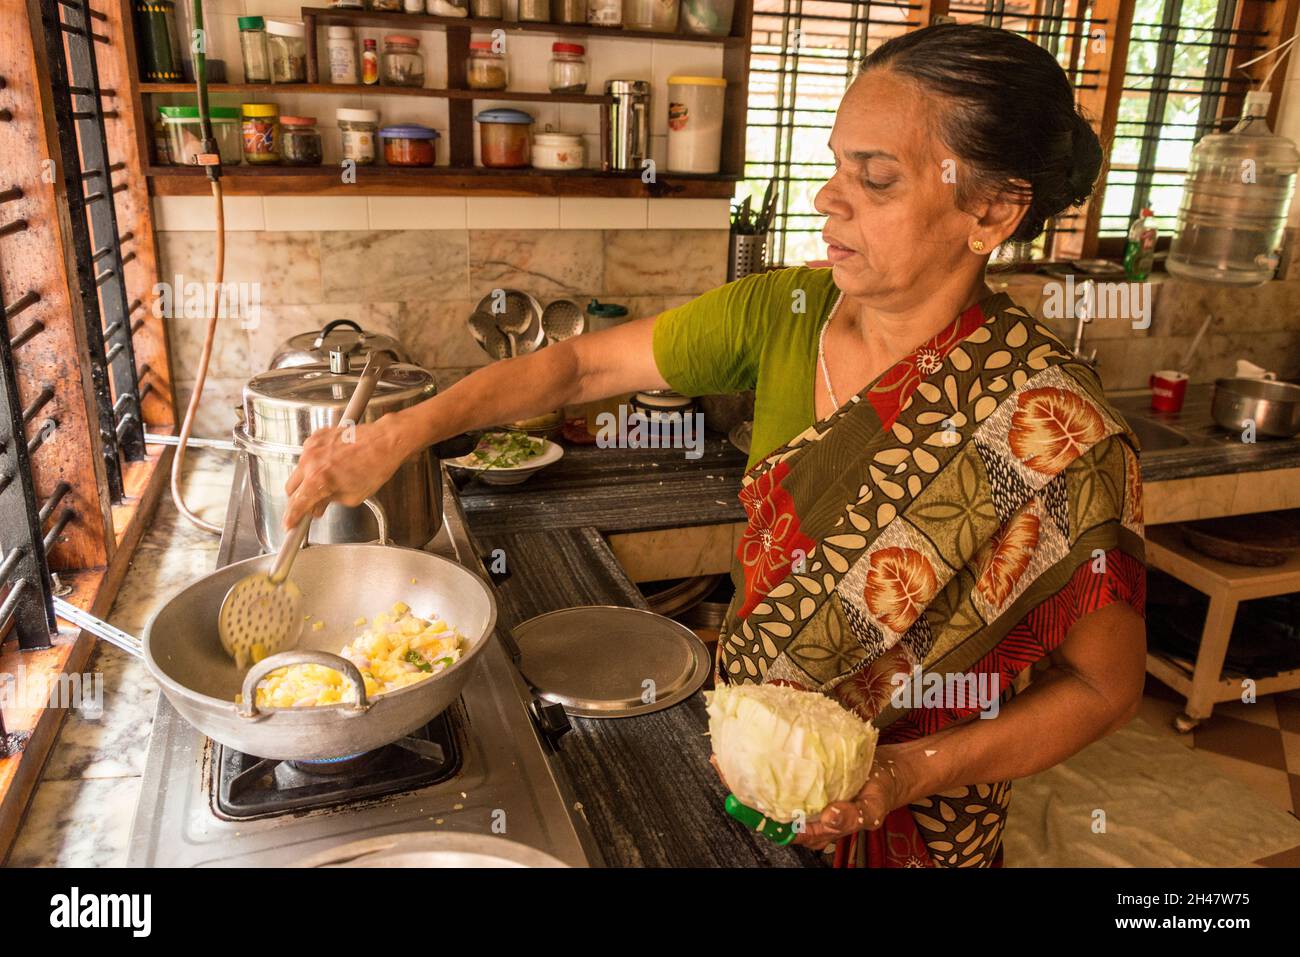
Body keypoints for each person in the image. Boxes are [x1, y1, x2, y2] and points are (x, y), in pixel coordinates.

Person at [283, 22, 1147, 868]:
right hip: (747, 756)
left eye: (875, 179)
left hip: (922, 820)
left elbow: (1106, 688)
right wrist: (398, 432)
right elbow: (580, 366)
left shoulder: (1051, 423)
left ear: (990, 211)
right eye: (836, 166)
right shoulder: (785, 311)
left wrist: (900, 773)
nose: (827, 200)